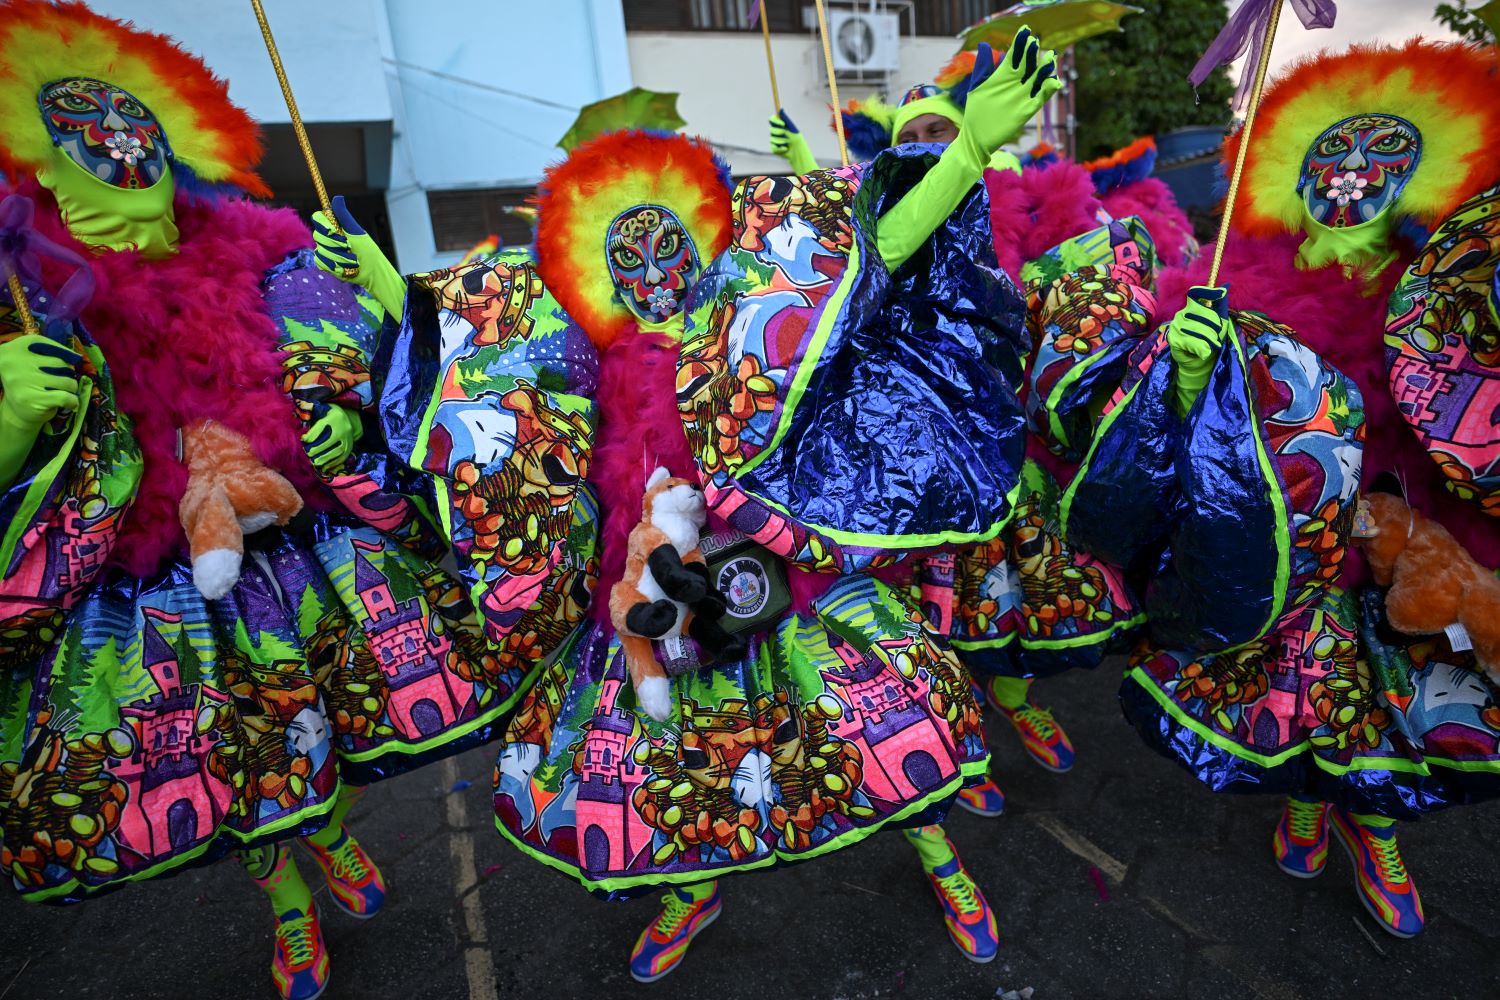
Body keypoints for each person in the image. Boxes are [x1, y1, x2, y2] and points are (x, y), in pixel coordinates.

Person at [318, 31, 1060, 980]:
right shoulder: (584, 357)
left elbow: (873, 254)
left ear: (699, 232)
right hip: (651, 594)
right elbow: (475, 353)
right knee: (670, 757)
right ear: (598, 269)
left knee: (871, 727)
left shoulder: (750, 308)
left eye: (665, 237)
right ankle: (691, 891)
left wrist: (964, 154)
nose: (651, 262)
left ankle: (940, 859)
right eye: (626, 249)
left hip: (780, 565)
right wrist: (381, 283)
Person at [0, 4, 538, 997]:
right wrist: (16, 419)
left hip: (286, 540)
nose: (122, 159)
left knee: (311, 713)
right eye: (93, 151)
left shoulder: (262, 253)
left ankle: (329, 838)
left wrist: (345, 400)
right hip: (148, 578)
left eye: (136, 140)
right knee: (234, 747)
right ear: (48, 173)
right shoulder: (28, 297)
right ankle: (290, 908)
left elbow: (368, 368)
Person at [1060, 39, 1500, 940]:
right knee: (1286, 703)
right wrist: (1181, 378)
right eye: (1326, 157)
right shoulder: (1227, 286)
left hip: (1390, 562)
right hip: (1275, 563)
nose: (1347, 176)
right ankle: (1307, 807)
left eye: (1382, 158)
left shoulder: (1443, 301)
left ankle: (1370, 837)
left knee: (1378, 722)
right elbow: (1166, 436)